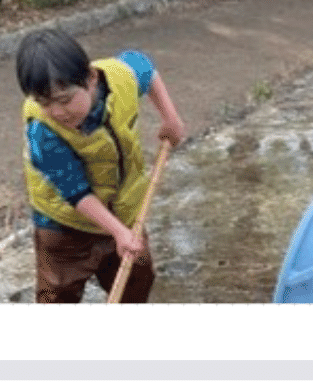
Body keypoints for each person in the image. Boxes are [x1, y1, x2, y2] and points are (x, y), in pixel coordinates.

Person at [15, 27, 186, 303]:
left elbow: (147, 69)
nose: (57, 112)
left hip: (125, 210)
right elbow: (76, 192)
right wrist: (118, 232)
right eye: (44, 103)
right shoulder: (42, 129)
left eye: (64, 99)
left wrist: (171, 119)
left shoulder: (120, 77)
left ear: (91, 79)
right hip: (64, 225)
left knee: (137, 280)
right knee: (58, 295)